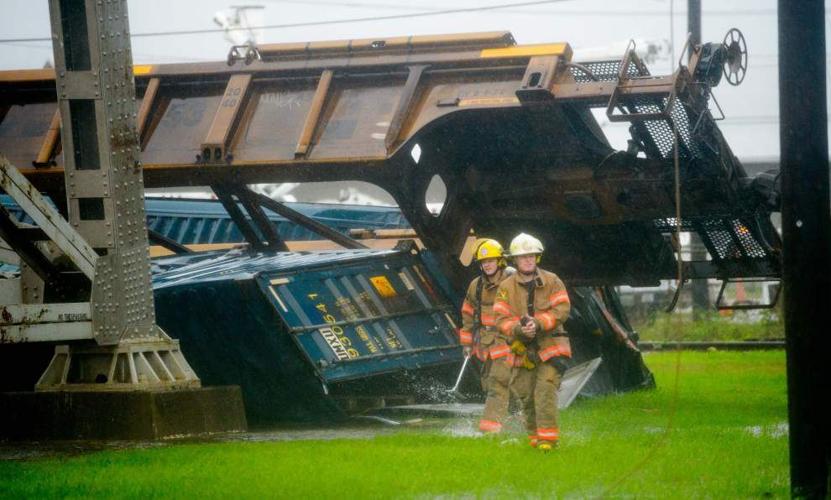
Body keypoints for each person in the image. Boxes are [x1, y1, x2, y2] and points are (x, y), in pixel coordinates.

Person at [493, 233, 571, 451]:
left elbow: (562, 310)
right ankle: (535, 437)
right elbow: (500, 319)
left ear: (537, 257)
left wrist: (538, 323)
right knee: (526, 395)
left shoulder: (552, 281)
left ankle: (548, 440)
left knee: (544, 389)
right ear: (515, 261)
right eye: (523, 256)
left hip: (550, 347)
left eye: (531, 256)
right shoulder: (506, 287)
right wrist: (518, 330)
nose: (528, 260)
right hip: (522, 350)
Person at [458, 238, 515, 434]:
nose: (487, 265)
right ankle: (518, 422)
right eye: (483, 262)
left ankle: (490, 430)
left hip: (509, 341)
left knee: (497, 384)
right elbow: (467, 313)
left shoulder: (512, 282)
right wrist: (467, 343)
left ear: (500, 261)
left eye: (491, 260)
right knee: (492, 383)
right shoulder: (476, 285)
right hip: (486, 344)